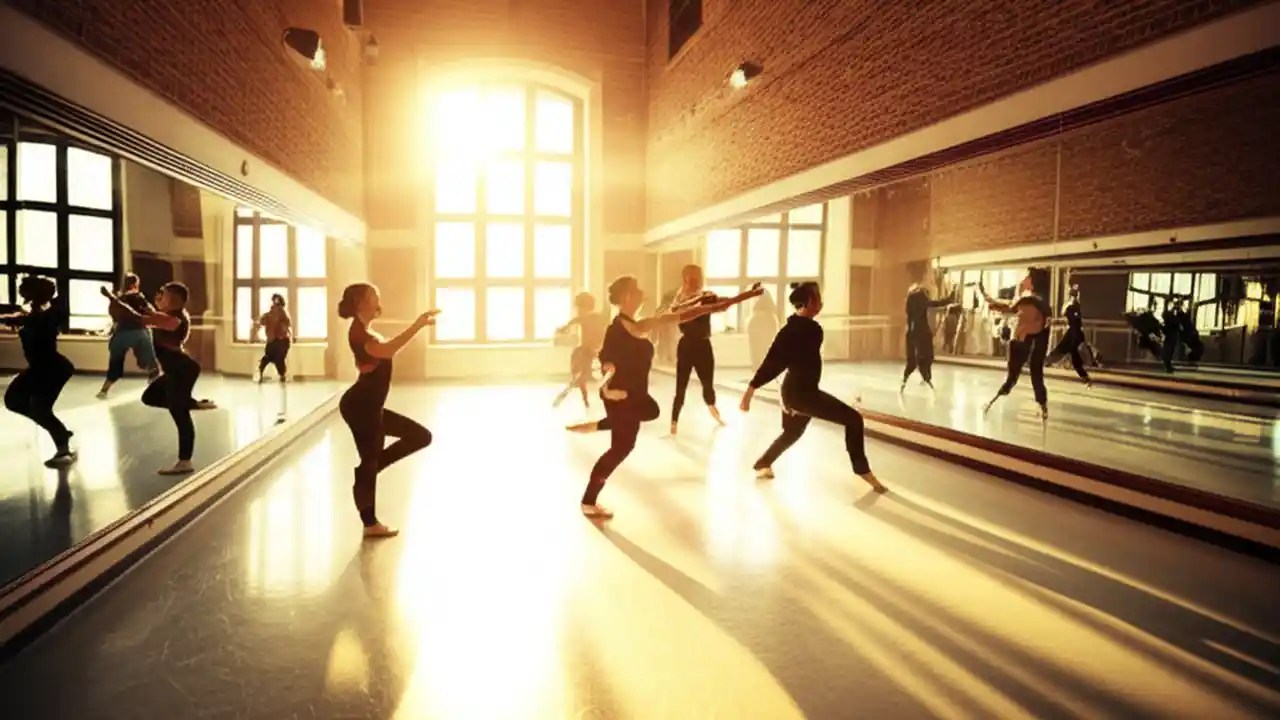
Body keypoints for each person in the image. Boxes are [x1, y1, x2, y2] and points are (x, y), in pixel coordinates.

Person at [568, 276, 759, 518]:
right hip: (619, 395)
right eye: (636, 289)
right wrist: (607, 390)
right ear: (627, 296)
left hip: (635, 395)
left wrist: (743, 297)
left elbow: (693, 312)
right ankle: (589, 501)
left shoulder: (643, 324)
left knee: (650, 412)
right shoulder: (615, 330)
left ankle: (601, 425)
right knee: (621, 448)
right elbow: (604, 365)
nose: (641, 292)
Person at [740, 282, 886, 492]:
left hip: (797, 390)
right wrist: (750, 391)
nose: (820, 302)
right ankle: (862, 470)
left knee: (792, 433)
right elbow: (773, 362)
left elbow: (785, 363)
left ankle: (764, 462)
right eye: (817, 298)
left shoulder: (806, 328)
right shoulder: (796, 330)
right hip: (801, 394)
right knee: (853, 419)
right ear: (807, 302)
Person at [336, 283, 437, 539]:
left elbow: (376, 355)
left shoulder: (366, 331)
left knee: (420, 436)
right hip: (361, 408)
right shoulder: (359, 333)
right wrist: (417, 325)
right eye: (374, 296)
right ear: (360, 302)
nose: (378, 298)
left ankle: (369, 470)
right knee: (370, 460)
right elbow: (388, 350)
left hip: (370, 406)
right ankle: (370, 523)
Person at [101, 282, 216, 475]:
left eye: (163, 296)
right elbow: (152, 314)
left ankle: (184, 461)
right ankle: (190, 402)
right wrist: (146, 304)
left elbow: (139, 319)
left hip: (182, 370)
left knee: (180, 415)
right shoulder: (169, 316)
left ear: (175, 300)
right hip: (176, 370)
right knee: (150, 397)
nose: (159, 298)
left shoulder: (174, 319)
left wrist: (112, 299)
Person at [3, 276, 76, 467]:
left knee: (40, 409)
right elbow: (24, 318)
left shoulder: (46, 316)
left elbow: (40, 318)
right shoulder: (35, 315)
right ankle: (57, 429)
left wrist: (17, 319)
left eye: (23, 288)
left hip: (51, 369)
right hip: (41, 367)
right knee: (13, 401)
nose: (20, 291)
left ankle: (63, 449)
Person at [667, 265, 746, 435]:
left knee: (707, 384)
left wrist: (744, 296)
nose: (696, 280)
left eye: (698, 276)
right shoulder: (679, 300)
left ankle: (712, 408)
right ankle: (674, 422)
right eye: (692, 277)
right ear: (684, 278)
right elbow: (673, 313)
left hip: (703, 345)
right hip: (687, 345)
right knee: (681, 386)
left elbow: (725, 302)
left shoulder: (706, 297)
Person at [980, 282, 1052, 418]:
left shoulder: (1034, 306)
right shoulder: (1026, 303)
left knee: (1033, 374)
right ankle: (1042, 406)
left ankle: (1042, 405)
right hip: (1020, 343)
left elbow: (1007, 307)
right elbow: (1006, 306)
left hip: (1027, 343)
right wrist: (987, 298)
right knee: (1015, 377)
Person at [97, 273, 158, 399]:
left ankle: (104, 390)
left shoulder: (118, 299)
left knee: (115, 364)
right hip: (138, 333)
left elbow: (114, 318)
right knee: (152, 365)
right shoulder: (137, 296)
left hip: (120, 335)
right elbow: (151, 312)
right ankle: (156, 389)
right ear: (134, 284)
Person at [553, 292, 606, 408]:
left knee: (583, 372)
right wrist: (563, 330)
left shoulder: (591, 318)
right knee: (578, 365)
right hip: (586, 348)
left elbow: (601, 334)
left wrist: (597, 348)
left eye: (578, 308)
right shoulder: (586, 318)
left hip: (590, 349)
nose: (577, 310)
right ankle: (584, 396)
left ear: (583, 307)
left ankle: (578, 386)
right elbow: (569, 325)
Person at [901, 280, 953, 391]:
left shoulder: (910, 300)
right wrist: (949, 299)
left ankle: (906, 380)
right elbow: (934, 303)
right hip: (922, 332)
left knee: (913, 360)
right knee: (927, 356)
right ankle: (926, 379)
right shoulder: (919, 296)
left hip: (912, 332)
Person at [1045, 284, 1091, 385]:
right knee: (1071, 355)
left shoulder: (1073, 307)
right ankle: (1085, 378)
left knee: (1064, 351)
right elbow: (1069, 320)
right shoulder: (1074, 306)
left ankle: (1045, 362)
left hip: (1073, 334)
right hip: (1074, 333)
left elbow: (1071, 320)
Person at [253, 293, 293, 383]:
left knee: (279, 359)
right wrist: (258, 323)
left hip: (282, 341)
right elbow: (262, 322)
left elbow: (287, 325)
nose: (275, 303)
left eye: (277, 301)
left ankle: (282, 375)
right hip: (272, 340)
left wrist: (284, 329)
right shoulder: (269, 314)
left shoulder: (283, 313)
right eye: (274, 300)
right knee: (267, 358)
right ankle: (260, 373)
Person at [747, 288, 779, 371]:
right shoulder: (770, 312)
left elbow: (751, 325)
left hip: (758, 333)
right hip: (765, 333)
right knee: (765, 351)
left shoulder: (757, 310)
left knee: (757, 353)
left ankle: (758, 369)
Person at [1161, 296, 1182, 373]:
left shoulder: (1171, 315)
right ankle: (1168, 366)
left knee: (1170, 351)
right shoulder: (1169, 315)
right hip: (1170, 335)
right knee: (1169, 351)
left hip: (1171, 335)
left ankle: (1168, 365)